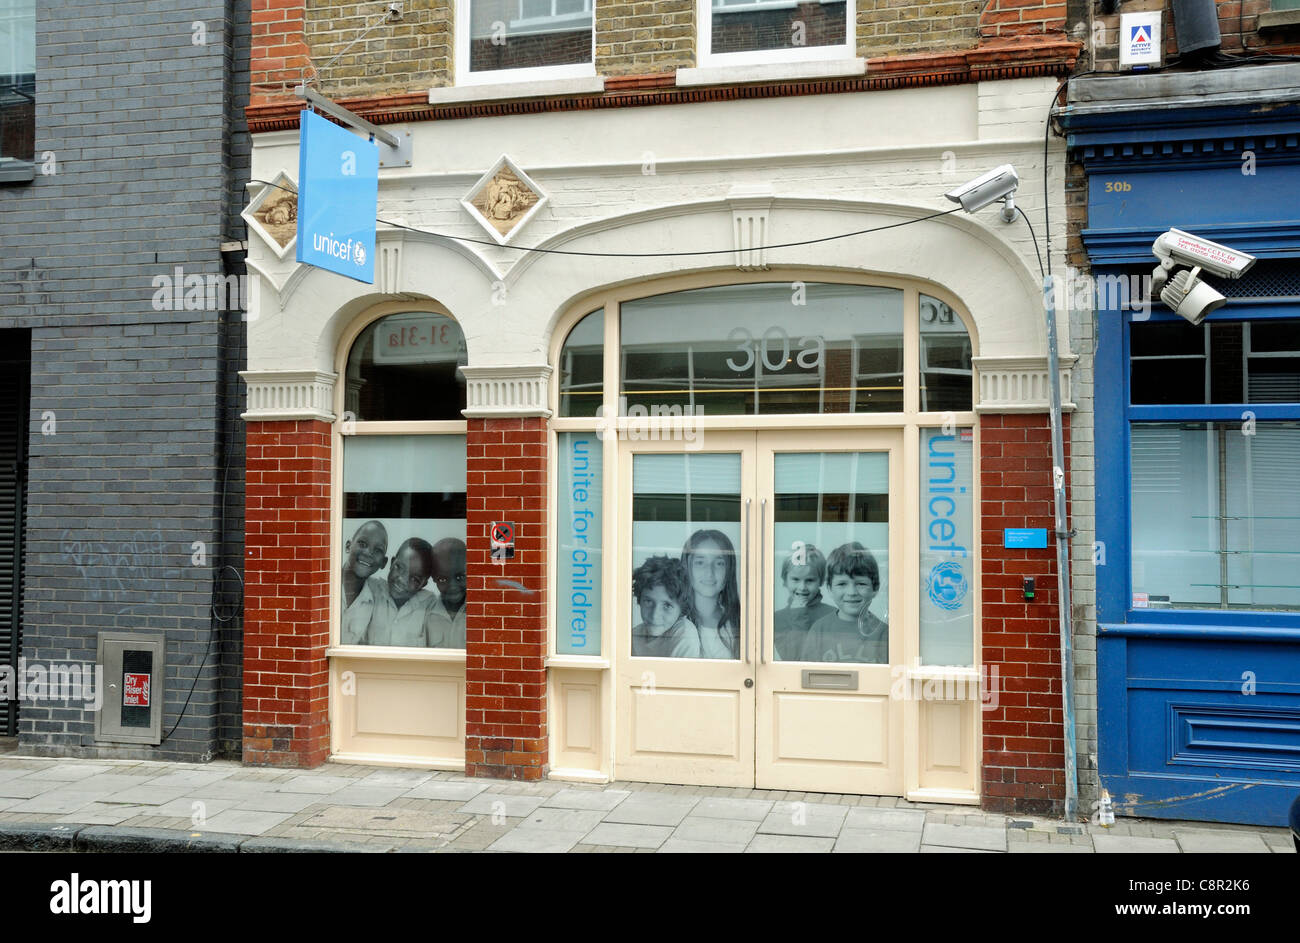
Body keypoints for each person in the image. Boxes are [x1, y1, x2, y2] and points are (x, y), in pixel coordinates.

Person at [800, 541, 888, 664]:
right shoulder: (819, 630)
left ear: (875, 588)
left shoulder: (884, 633)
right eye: (842, 584)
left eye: (861, 584)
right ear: (830, 589)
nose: (851, 592)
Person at [681, 529, 741, 659]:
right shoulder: (674, 621)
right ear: (687, 567)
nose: (709, 572)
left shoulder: (739, 621)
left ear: (729, 570)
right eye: (700, 562)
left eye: (719, 563)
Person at [366, 537, 436, 647]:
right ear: (392, 563)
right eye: (399, 567)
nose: (402, 580)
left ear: (423, 584)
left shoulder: (431, 606)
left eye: (414, 579)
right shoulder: (371, 590)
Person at [773, 544, 835, 661]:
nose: (802, 587)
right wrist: (799, 615)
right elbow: (793, 658)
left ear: (820, 581)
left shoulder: (833, 614)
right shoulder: (777, 619)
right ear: (785, 580)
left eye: (810, 580)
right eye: (795, 579)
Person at [631, 555, 701, 658]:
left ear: (681, 608)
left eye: (667, 605)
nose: (654, 615)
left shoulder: (685, 633)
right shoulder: (633, 635)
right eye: (648, 601)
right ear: (640, 599)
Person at [340, 520, 388, 645]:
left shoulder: (376, 599)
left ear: (384, 562)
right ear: (348, 546)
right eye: (362, 543)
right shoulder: (325, 584)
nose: (368, 553)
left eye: (378, 550)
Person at [425, 537, 468, 648]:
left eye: (460, 577)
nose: (452, 586)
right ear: (433, 577)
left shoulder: (482, 612)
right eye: (443, 579)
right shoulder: (426, 615)